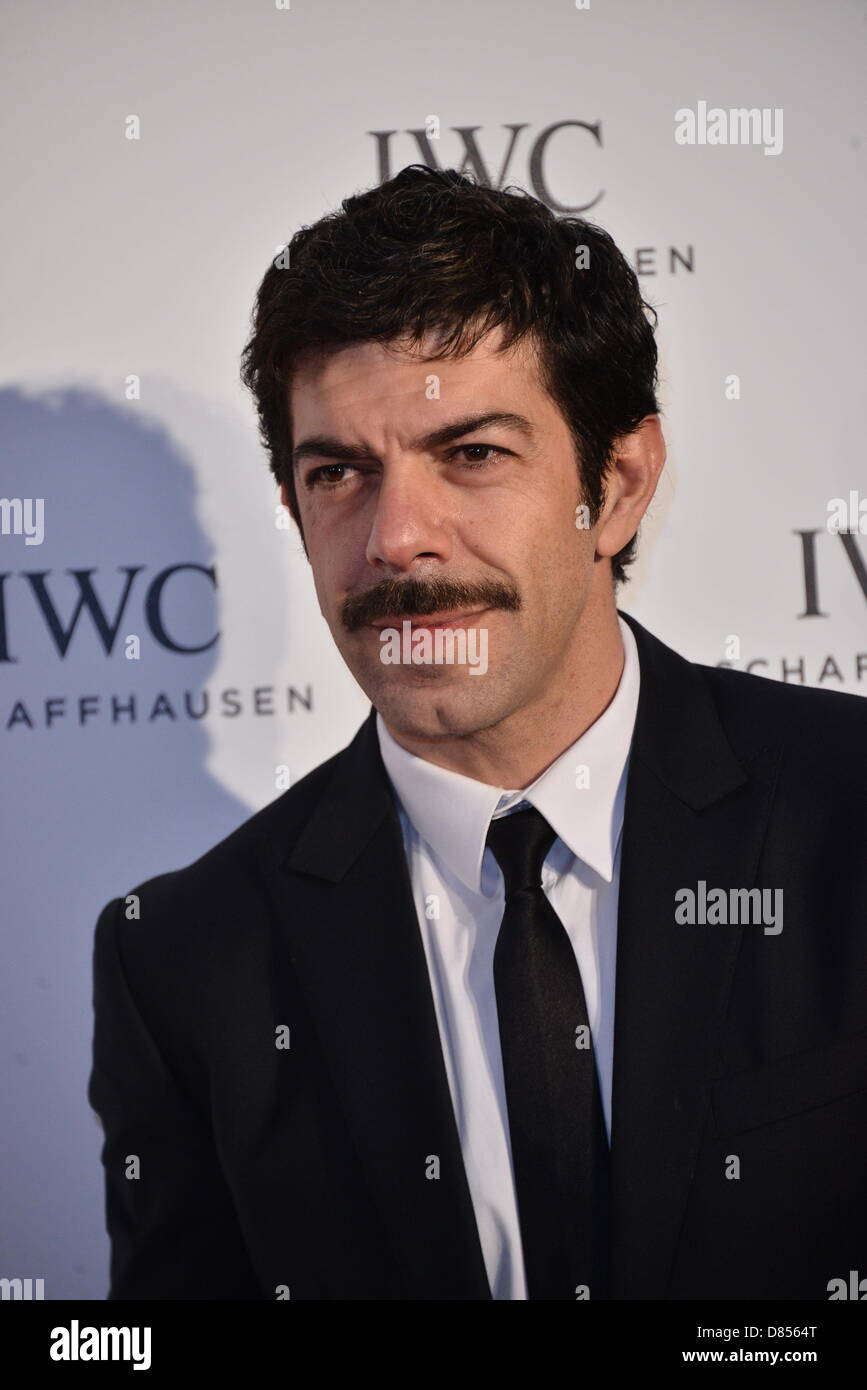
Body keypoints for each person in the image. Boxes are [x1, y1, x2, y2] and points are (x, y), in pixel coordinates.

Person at [88, 165, 867, 1301]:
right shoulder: (188, 961)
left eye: (473, 453)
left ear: (622, 480)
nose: (397, 536)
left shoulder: (848, 813)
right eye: (340, 473)